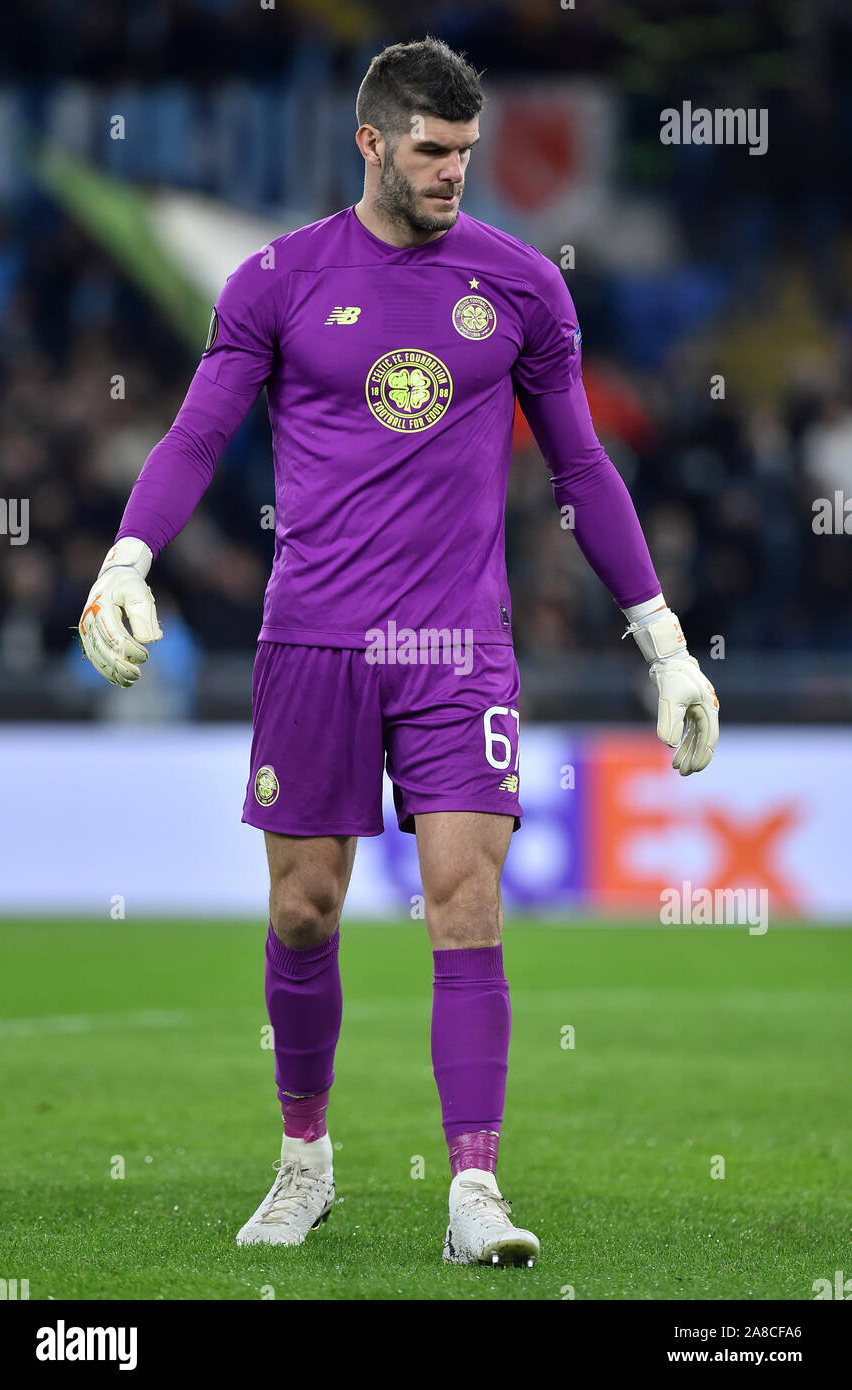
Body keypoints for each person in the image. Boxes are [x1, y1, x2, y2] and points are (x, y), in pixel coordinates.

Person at [78, 36, 719, 1268]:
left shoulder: (523, 286)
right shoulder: (275, 281)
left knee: (464, 902)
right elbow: (197, 436)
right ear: (369, 142)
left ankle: (473, 1187)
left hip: (454, 646)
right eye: (430, 151)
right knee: (304, 909)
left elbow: (581, 468)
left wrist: (663, 642)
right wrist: (125, 560)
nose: (451, 175)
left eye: (465, 154)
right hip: (311, 638)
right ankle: (304, 1162)